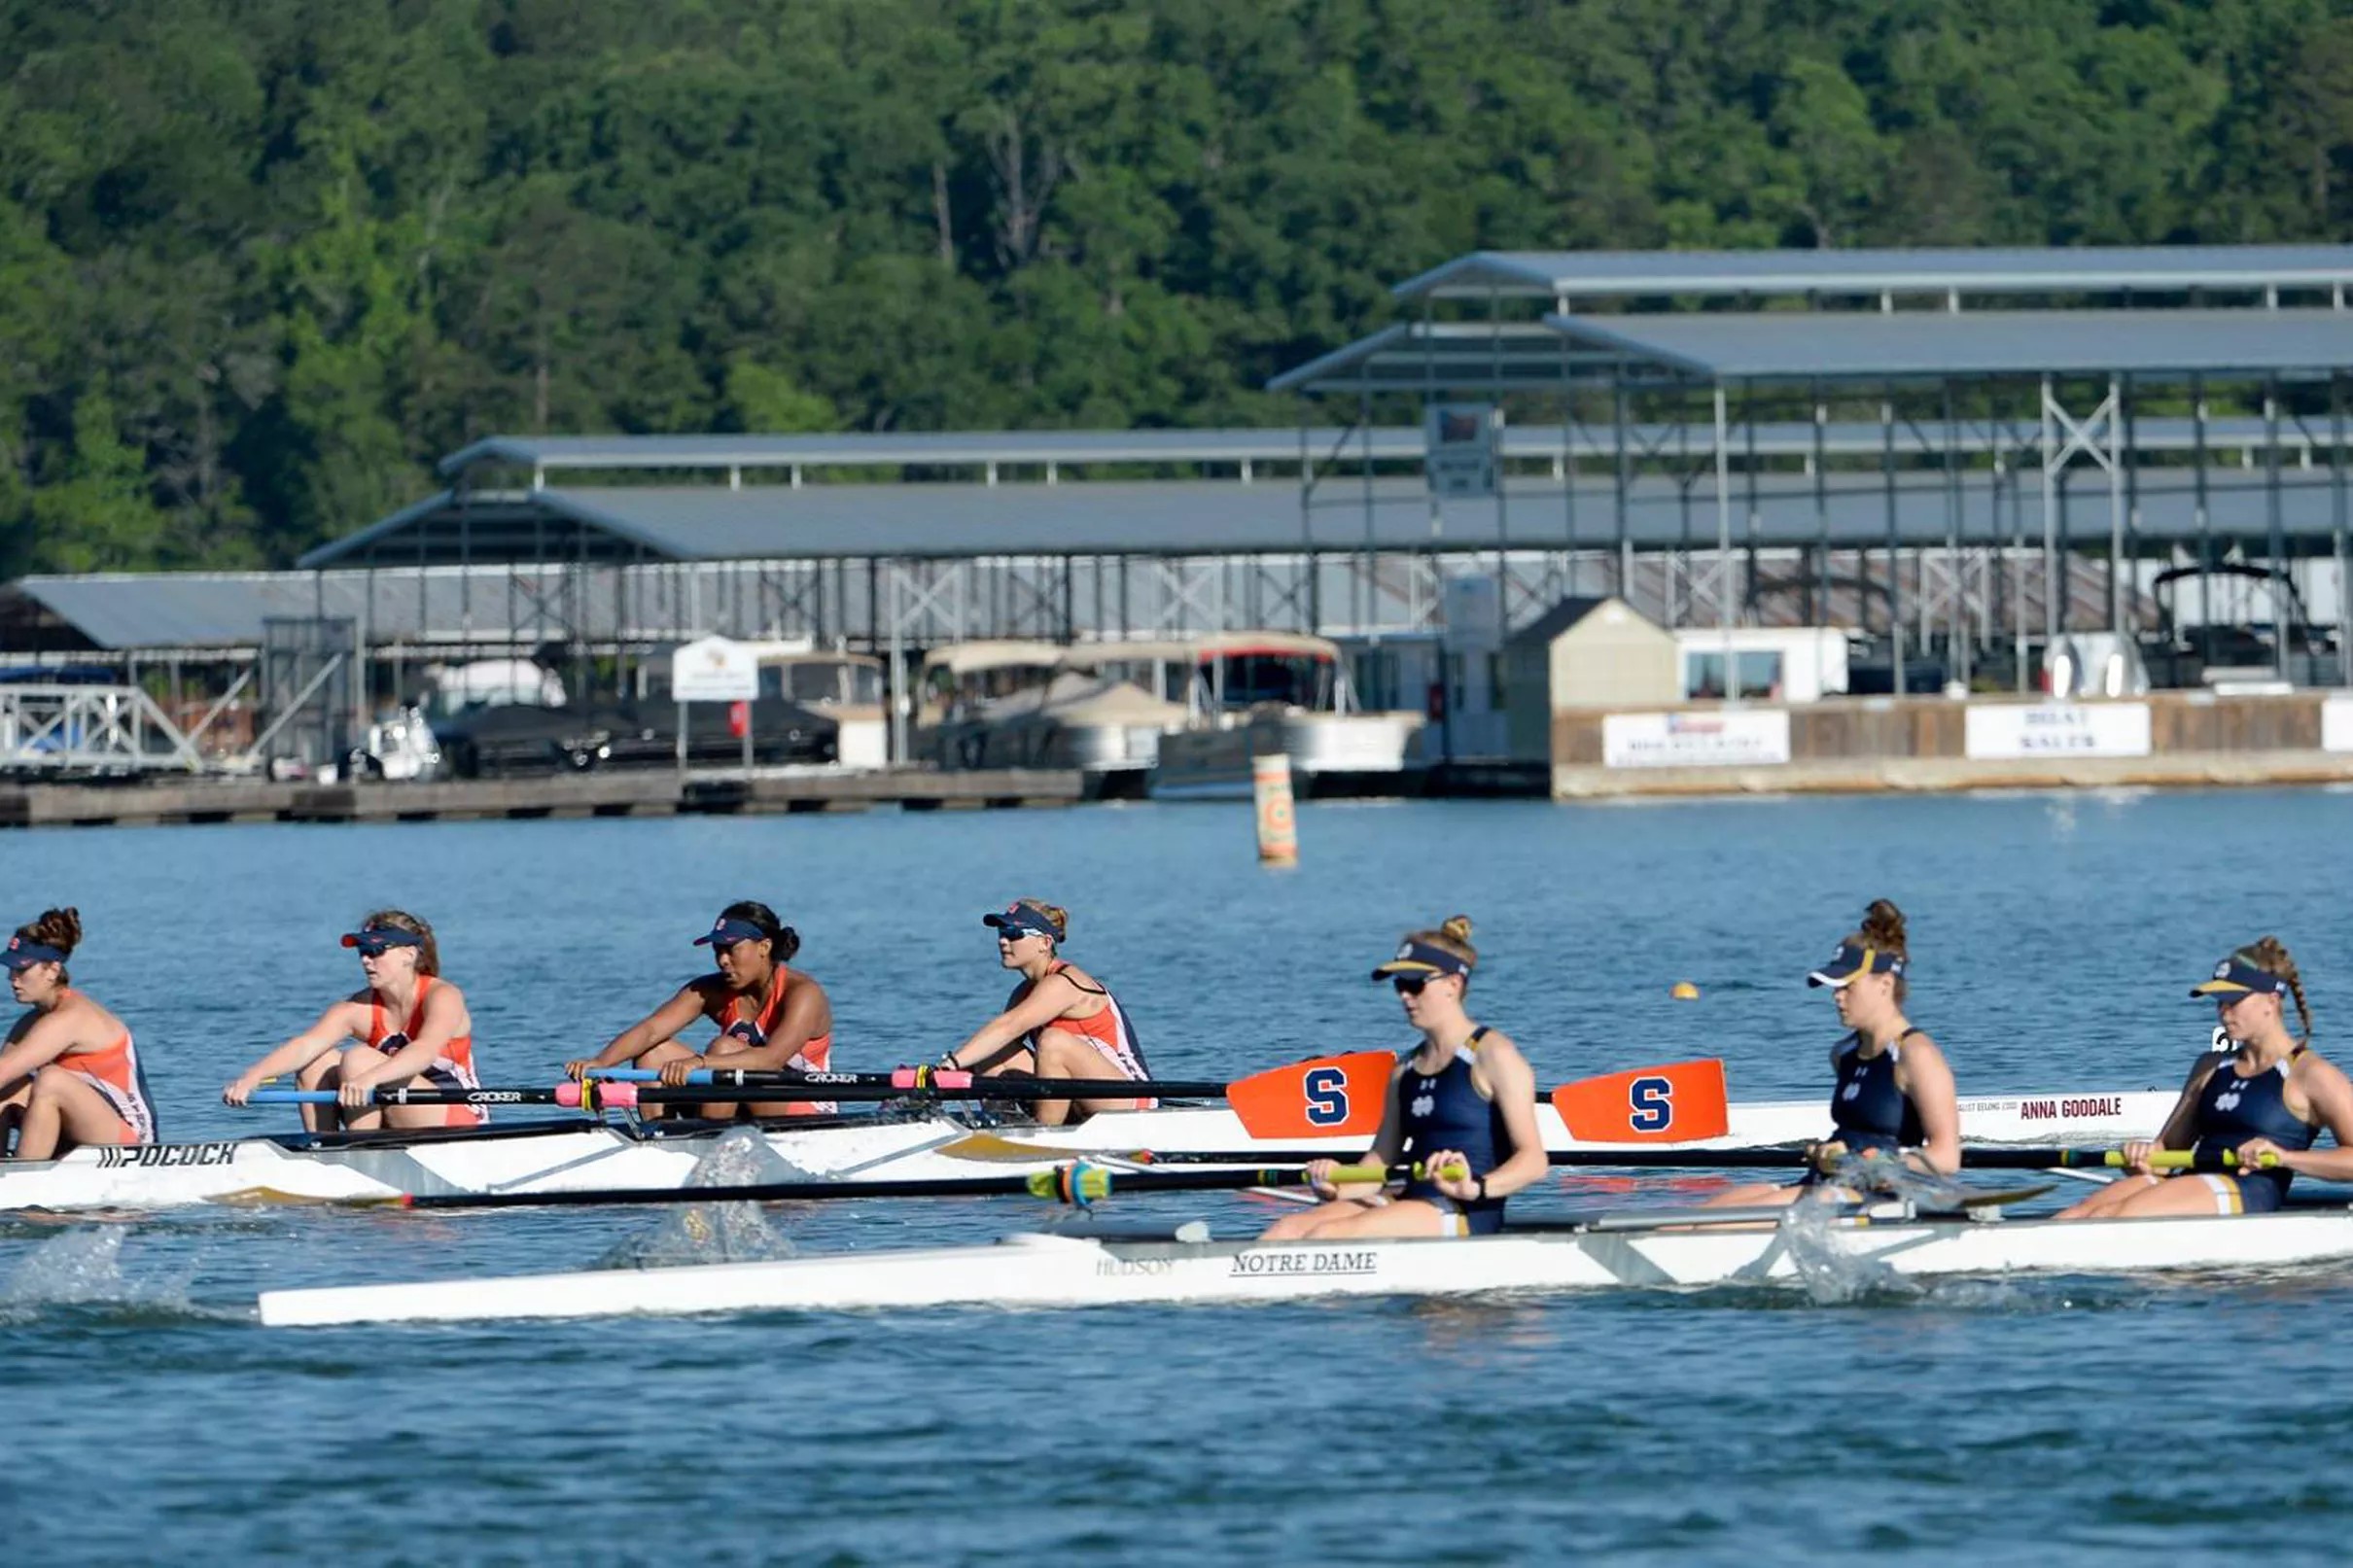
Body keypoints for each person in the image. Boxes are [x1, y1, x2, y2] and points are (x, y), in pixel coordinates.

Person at [1263, 917, 1546, 1239]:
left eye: (1415, 984)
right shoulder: (1405, 1070)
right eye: (1399, 985)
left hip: (1466, 1210)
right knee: (1286, 1229)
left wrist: (1475, 1187)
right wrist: (1335, 1186)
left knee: (1327, 1236)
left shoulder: (1494, 1055)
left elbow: (1534, 1160)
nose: (1405, 996)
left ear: (1453, 984)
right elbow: (1379, 1161)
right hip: (1410, 1201)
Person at [2057, 938, 2353, 1220]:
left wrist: (2285, 1158)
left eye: (2233, 1000)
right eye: (2218, 1001)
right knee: (2075, 1217)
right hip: (2194, 1183)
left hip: (2247, 1191)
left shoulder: (2311, 1074)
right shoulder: (2210, 1066)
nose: (2223, 1012)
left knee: (2114, 1218)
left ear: (2271, 1000)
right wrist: (2141, 1156)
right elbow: (2166, 1153)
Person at [1704, 899, 1959, 1208]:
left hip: (1879, 1193)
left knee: (1722, 1220)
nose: (1837, 997)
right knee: (1702, 1213)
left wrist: (1878, 1162)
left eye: (1846, 987)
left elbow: (1946, 1157)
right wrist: (1824, 1152)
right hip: (1828, 1184)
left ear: (1885, 984)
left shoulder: (1916, 1054)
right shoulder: (1844, 1054)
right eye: (1834, 988)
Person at [562, 901, 835, 1119]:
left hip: (802, 1108)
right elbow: (650, 1030)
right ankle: (661, 1142)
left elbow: (770, 1060)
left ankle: (710, 1139)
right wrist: (601, 1063)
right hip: (736, 1098)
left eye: (731, 949)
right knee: (653, 1051)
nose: (722, 961)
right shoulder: (712, 990)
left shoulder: (803, 994)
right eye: (718, 950)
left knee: (723, 1048)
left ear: (764, 946)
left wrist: (699, 1063)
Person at [222, 911, 485, 1132]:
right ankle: (326, 1152)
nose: (365, 959)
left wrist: (369, 1078)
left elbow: (423, 1052)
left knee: (359, 1059)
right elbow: (304, 1046)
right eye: (362, 950)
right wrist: (252, 1077)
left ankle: (360, 1154)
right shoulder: (358, 1007)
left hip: (458, 1118)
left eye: (376, 950)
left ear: (409, 954)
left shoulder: (443, 996)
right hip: (397, 1110)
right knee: (316, 1063)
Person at [937, 899, 1151, 1127]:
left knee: (1052, 1042)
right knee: (992, 1052)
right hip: (1081, 1096)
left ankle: (1041, 1137)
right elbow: (994, 1042)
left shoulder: (1064, 983)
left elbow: (1008, 1027)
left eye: (1014, 933)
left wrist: (951, 1064)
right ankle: (1003, 1128)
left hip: (1130, 1102)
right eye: (1001, 931)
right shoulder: (1023, 993)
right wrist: (935, 1076)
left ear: (1045, 942)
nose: (1002, 940)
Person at [0, 908, 158, 1160]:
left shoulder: (71, 1018)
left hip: (130, 1141)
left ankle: (22, 1178)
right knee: (9, 1089)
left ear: (52, 970)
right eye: (11, 969)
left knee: (51, 1080)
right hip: (79, 1129)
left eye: (22, 970)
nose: (13, 979)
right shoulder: (29, 1022)